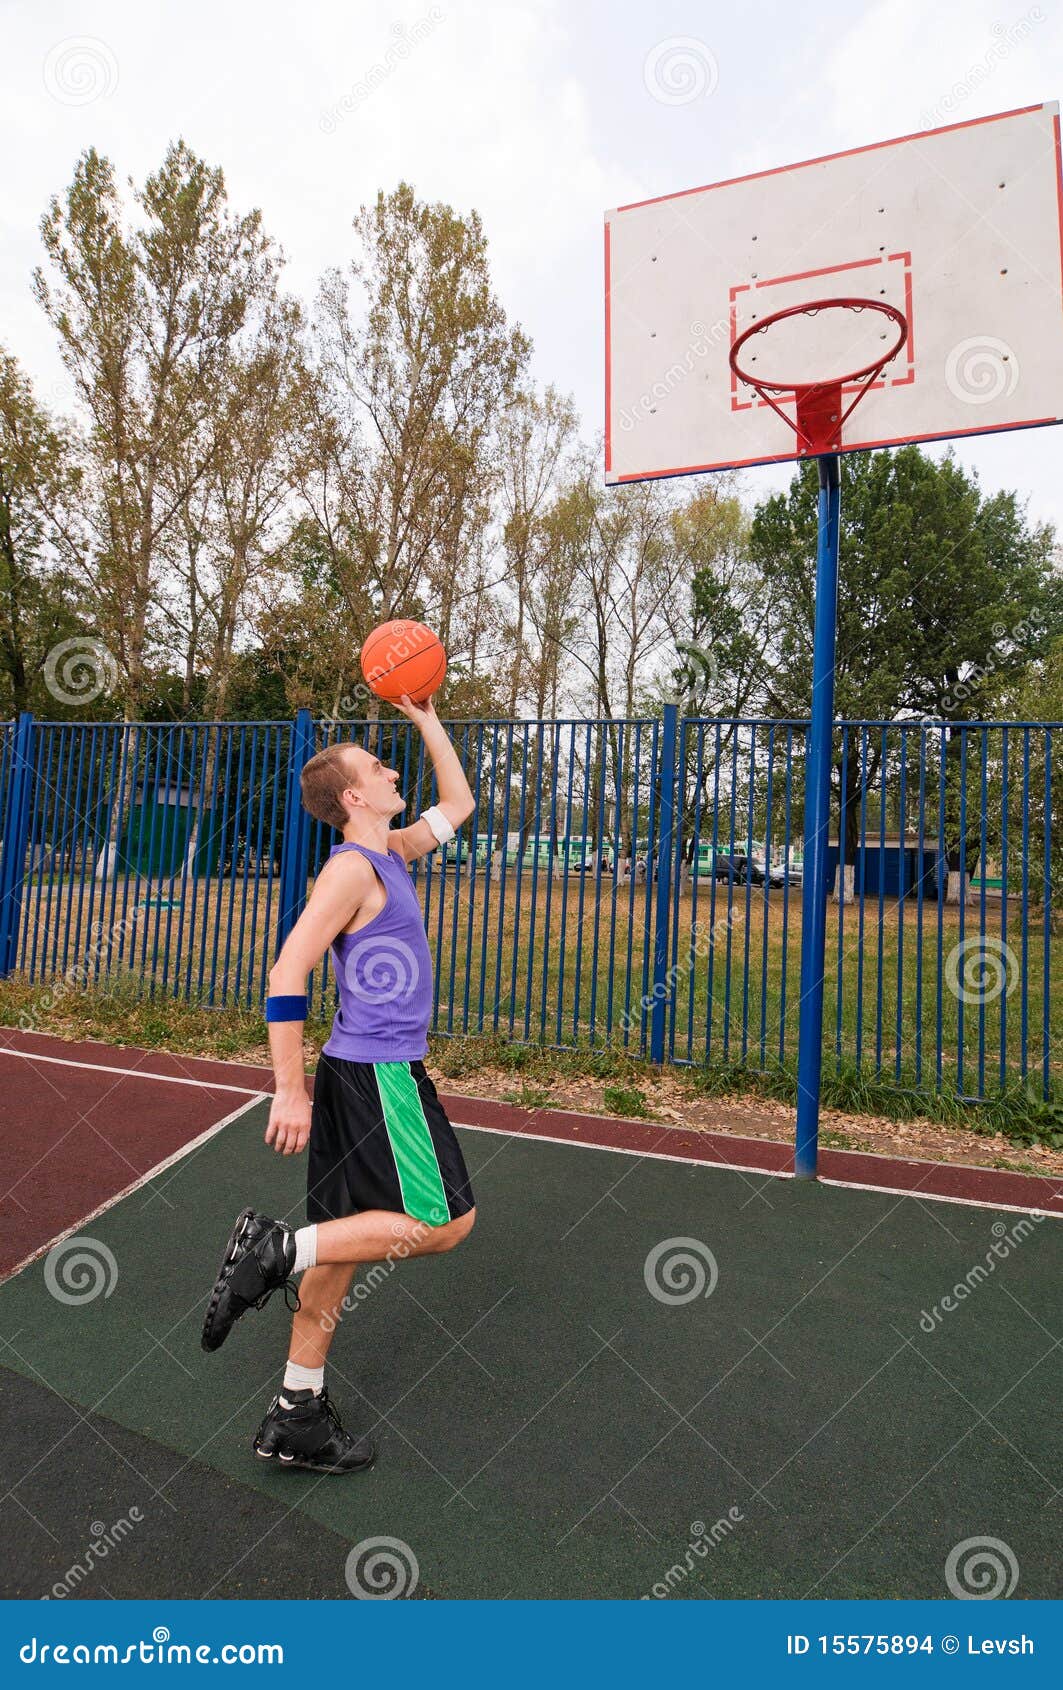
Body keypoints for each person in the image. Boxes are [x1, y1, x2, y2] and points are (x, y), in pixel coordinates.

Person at [200, 692, 477, 1474]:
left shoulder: (394, 851)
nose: (395, 772)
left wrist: (423, 715)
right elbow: (286, 974)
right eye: (379, 767)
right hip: (379, 1076)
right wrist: (287, 1090)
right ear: (352, 797)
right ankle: (270, 1250)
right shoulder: (353, 871)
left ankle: (296, 1415)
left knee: (341, 1259)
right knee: (444, 1222)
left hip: (361, 1072)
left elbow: (458, 800)